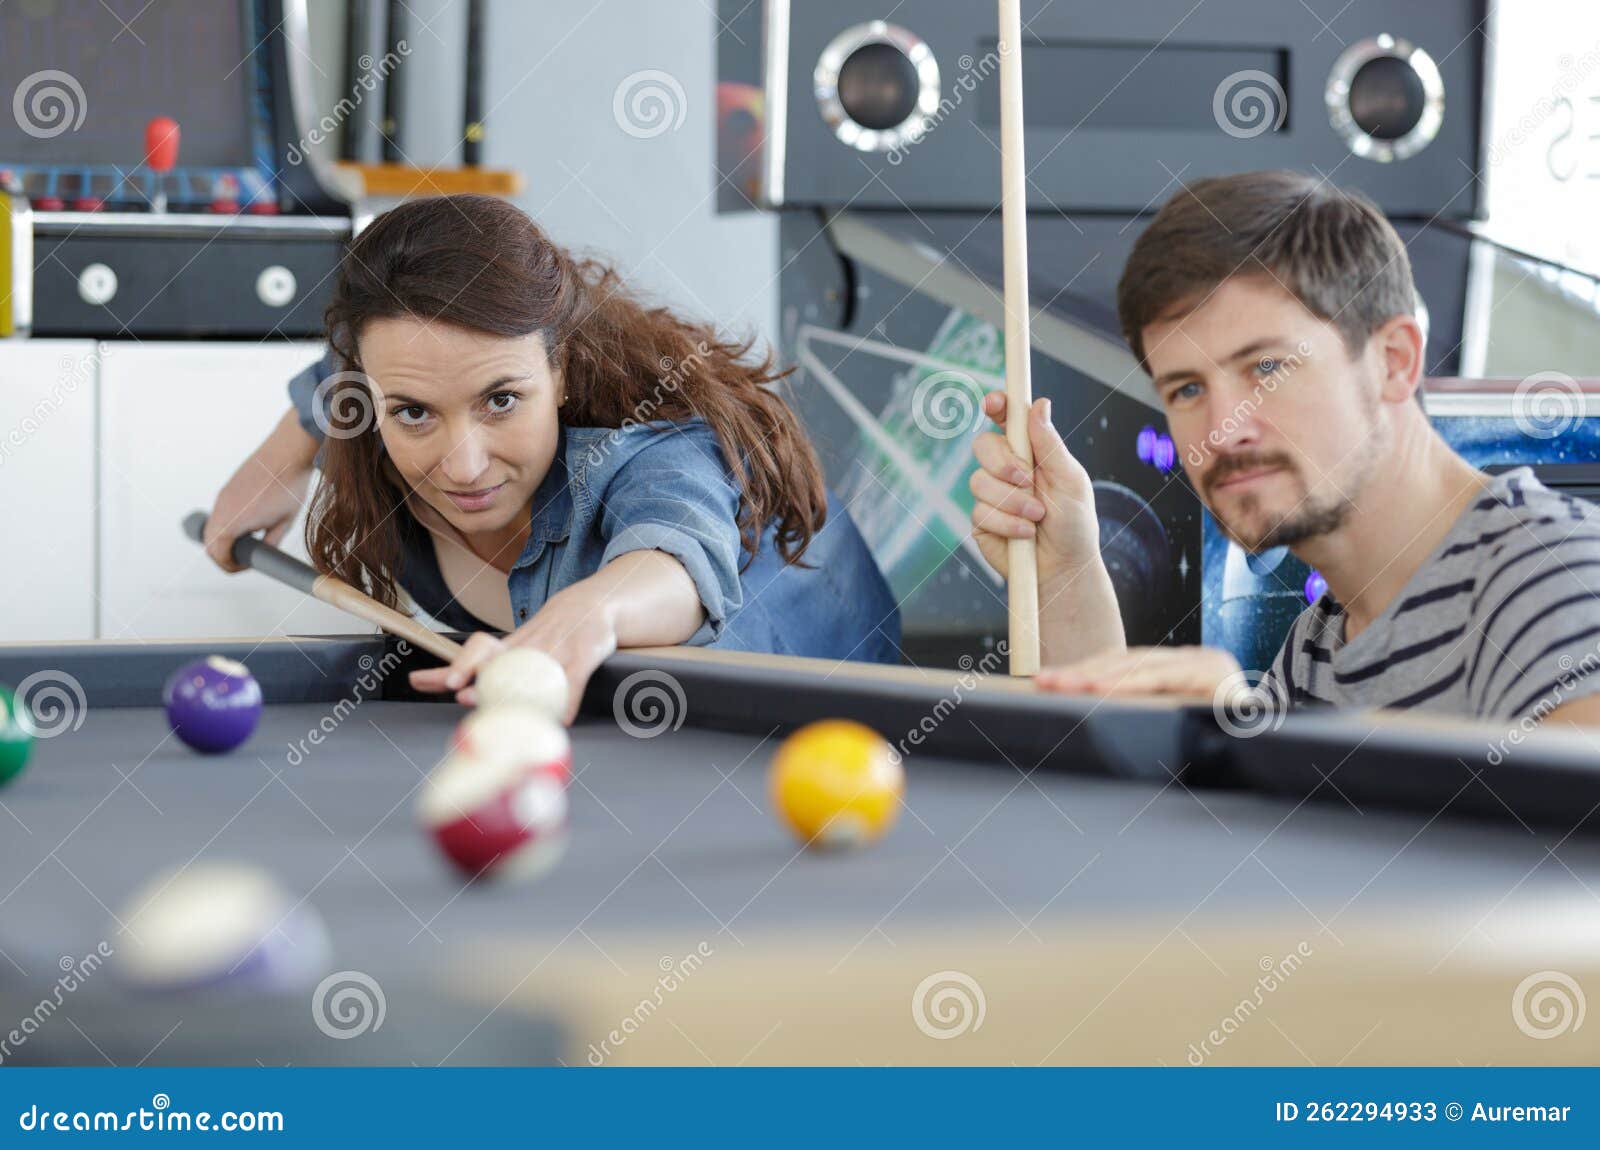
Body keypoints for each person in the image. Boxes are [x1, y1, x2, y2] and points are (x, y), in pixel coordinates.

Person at [207, 195, 899, 718]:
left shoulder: (653, 447)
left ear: (562, 367)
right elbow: (344, 367)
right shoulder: (383, 376)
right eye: (414, 413)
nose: (465, 465)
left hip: (815, 681)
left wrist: (590, 610)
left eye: (501, 400)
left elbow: (678, 555)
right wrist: (280, 458)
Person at [969, 170, 1600, 727]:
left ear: (1393, 361)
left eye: (1266, 368)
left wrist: (1248, 740)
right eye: (1187, 388)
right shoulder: (1319, 646)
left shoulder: (1559, 580)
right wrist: (1066, 571)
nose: (1225, 428)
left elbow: (1562, 858)